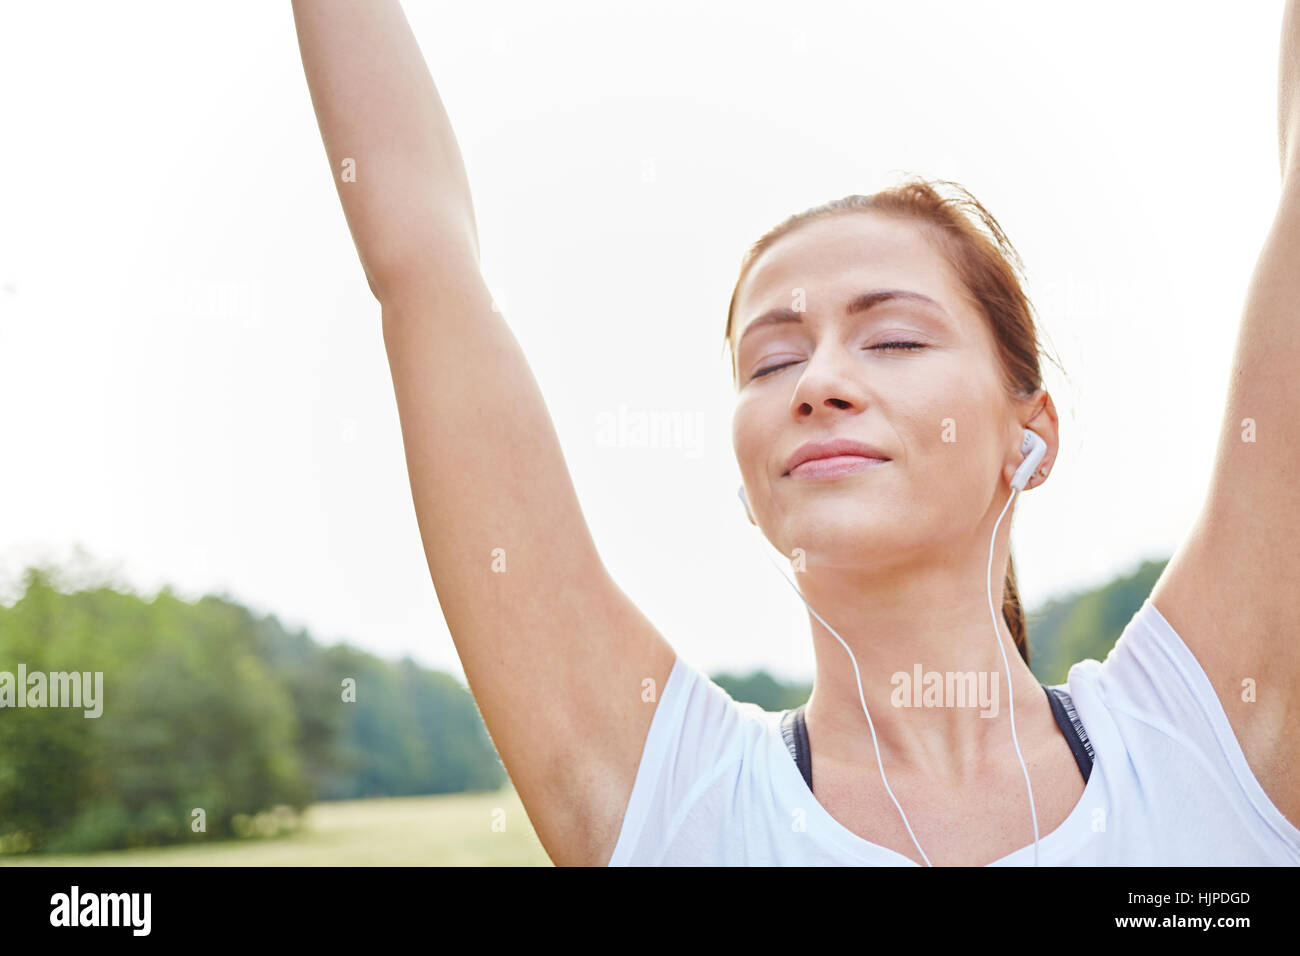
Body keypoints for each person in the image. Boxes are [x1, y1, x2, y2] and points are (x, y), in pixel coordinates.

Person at [292, 0, 1300, 865]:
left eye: (893, 338)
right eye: (770, 361)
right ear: (749, 481)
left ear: (1026, 432)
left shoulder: (1203, 741)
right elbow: (422, 261)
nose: (817, 381)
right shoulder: (670, 798)